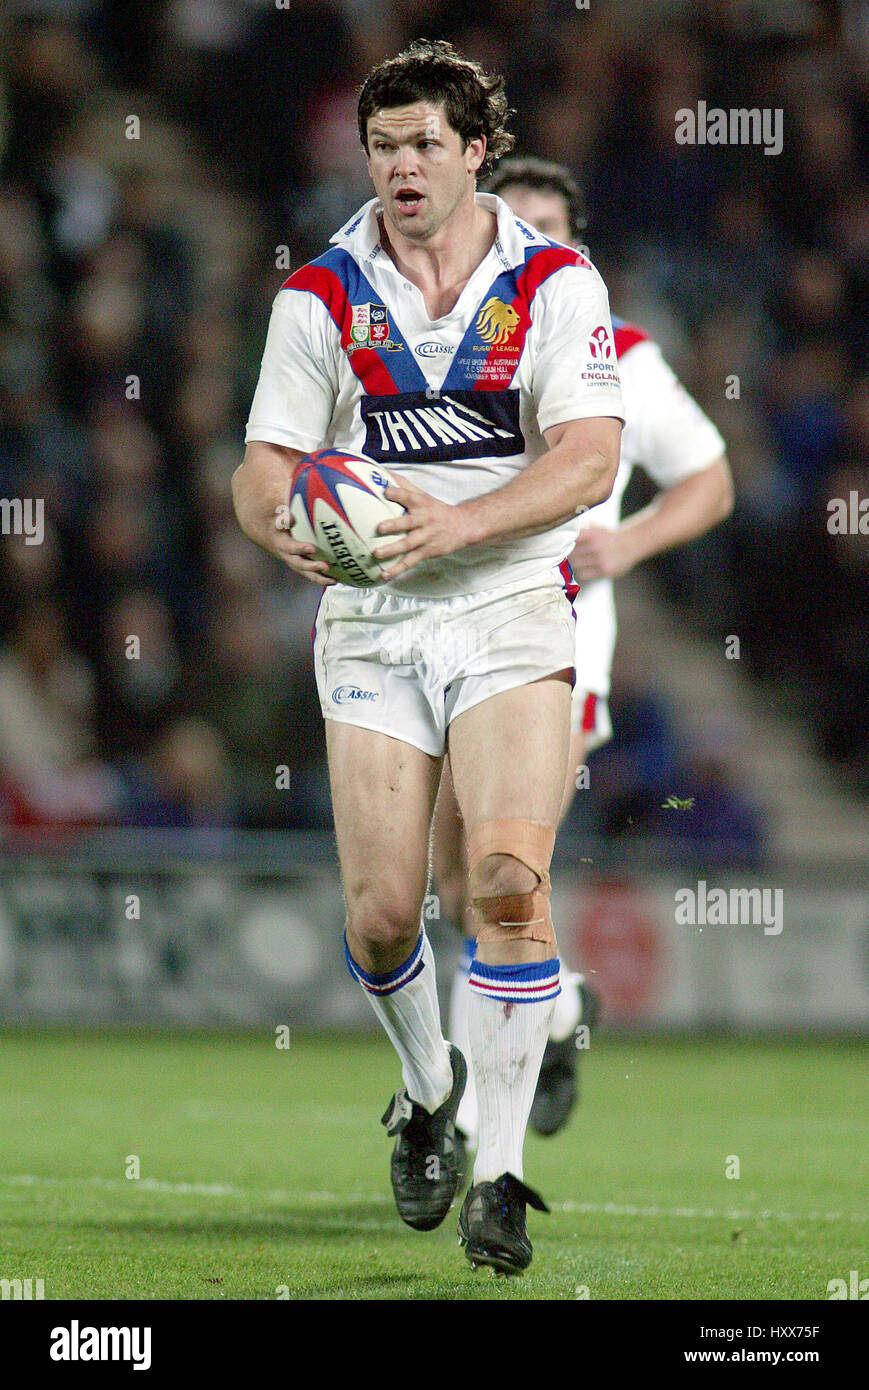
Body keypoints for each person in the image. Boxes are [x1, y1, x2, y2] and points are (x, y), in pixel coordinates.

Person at [233, 43, 624, 1274]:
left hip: (508, 596)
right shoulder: (320, 296)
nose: (400, 167)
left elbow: (588, 457)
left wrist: (462, 520)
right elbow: (261, 467)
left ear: (472, 152)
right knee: (383, 908)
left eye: (422, 146)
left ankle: (499, 1178)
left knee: (506, 881)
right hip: (375, 620)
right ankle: (425, 1090)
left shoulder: (557, 281)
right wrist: (278, 525)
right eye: (382, 147)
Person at [432, 157, 734, 1154]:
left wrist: (630, 541)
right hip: (446, 641)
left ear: (578, 246)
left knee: (502, 865)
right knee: (449, 885)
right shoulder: (436, 351)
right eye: (510, 226)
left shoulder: (620, 354)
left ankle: (469, 1116)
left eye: (549, 226)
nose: (530, 242)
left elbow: (707, 477)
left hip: (560, 650)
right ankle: (556, 1003)